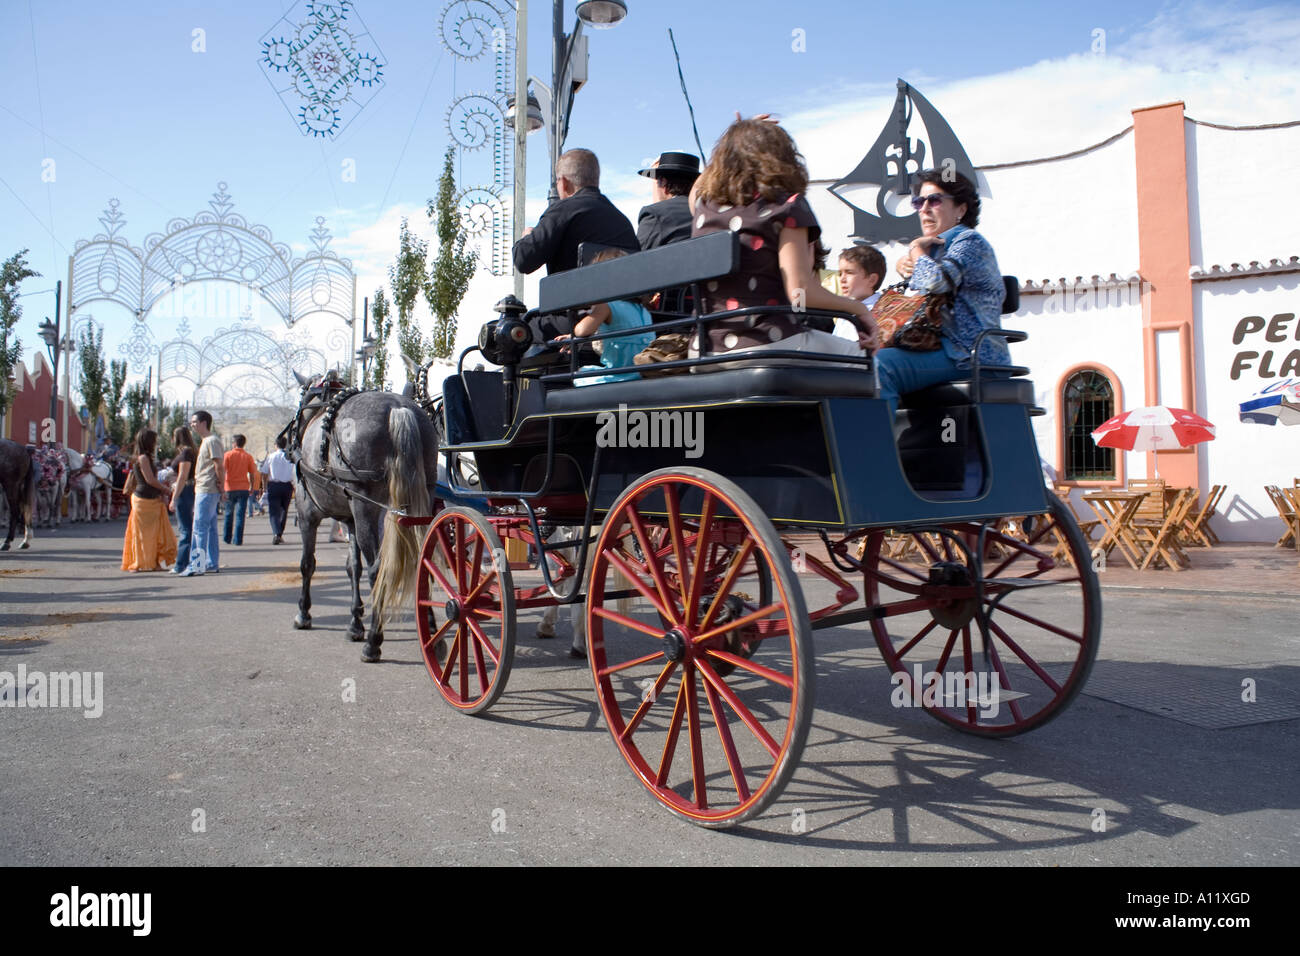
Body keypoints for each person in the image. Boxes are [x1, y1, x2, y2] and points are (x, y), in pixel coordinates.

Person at [686, 117, 876, 365]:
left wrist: (736, 142)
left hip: (702, 351)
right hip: (767, 345)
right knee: (861, 357)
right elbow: (801, 294)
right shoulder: (786, 206)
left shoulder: (703, 209)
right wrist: (858, 309)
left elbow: (696, 190)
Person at [877, 169, 1008, 413]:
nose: (924, 208)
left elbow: (938, 281)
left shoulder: (969, 242)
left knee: (879, 367)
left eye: (934, 200)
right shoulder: (933, 250)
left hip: (971, 353)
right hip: (941, 349)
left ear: (961, 209)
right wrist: (907, 267)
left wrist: (915, 252)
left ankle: (876, 450)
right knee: (857, 361)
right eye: (918, 202)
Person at [512, 149, 639, 276]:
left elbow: (523, 260)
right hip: (622, 295)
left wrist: (528, 237)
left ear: (563, 182)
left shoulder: (562, 211)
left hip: (575, 294)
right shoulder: (622, 221)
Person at [553, 248, 656, 385]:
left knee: (580, 375)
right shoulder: (642, 310)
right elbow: (622, 330)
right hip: (642, 372)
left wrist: (575, 333)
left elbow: (582, 330)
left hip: (620, 376)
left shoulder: (606, 305)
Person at [121, 428, 177, 572]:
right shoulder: (143, 458)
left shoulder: (146, 458)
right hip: (143, 499)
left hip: (151, 498)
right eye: (154, 440)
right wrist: (166, 490)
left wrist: (162, 493)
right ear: (149, 441)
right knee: (142, 534)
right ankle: (139, 562)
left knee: (155, 533)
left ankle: (154, 562)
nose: (156, 443)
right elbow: (150, 480)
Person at [180, 410, 224, 576]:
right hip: (207, 488)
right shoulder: (207, 441)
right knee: (210, 528)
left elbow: (218, 465)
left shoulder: (211, 441)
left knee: (199, 528)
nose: (192, 425)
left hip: (206, 488)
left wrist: (221, 485)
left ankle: (197, 565)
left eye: (194, 422)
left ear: (203, 423)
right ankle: (211, 562)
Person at [636, 151, 700, 251]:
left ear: (663, 182)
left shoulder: (655, 214)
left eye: (657, 182)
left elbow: (634, 259)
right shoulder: (706, 211)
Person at [167, 426, 197, 574]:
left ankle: (181, 564)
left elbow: (182, 476)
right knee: (186, 527)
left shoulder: (186, 453)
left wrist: (174, 497)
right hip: (187, 489)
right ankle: (185, 561)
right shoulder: (189, 451)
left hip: (184, 490)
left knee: (185, 528)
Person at [222, 434, 257, 546]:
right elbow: (252, 473)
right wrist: (252, 486)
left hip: (229, 487)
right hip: (243, 488)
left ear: (234, 443)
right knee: (240, 515)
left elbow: (222, 471)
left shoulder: (227, 455)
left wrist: (221, 486)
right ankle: (238, 540)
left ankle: (227, 538)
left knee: (228, 513)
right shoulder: (248, 456)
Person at [261, 434, 294, 545]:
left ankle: (276, 533)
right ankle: (279, 534)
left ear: (276, 445)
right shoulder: (290, 457)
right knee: (284, 511)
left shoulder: (271, 456)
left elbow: (264, 472)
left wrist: (264, 486)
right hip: (287, 486)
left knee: (274, 511)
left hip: (274, 485)